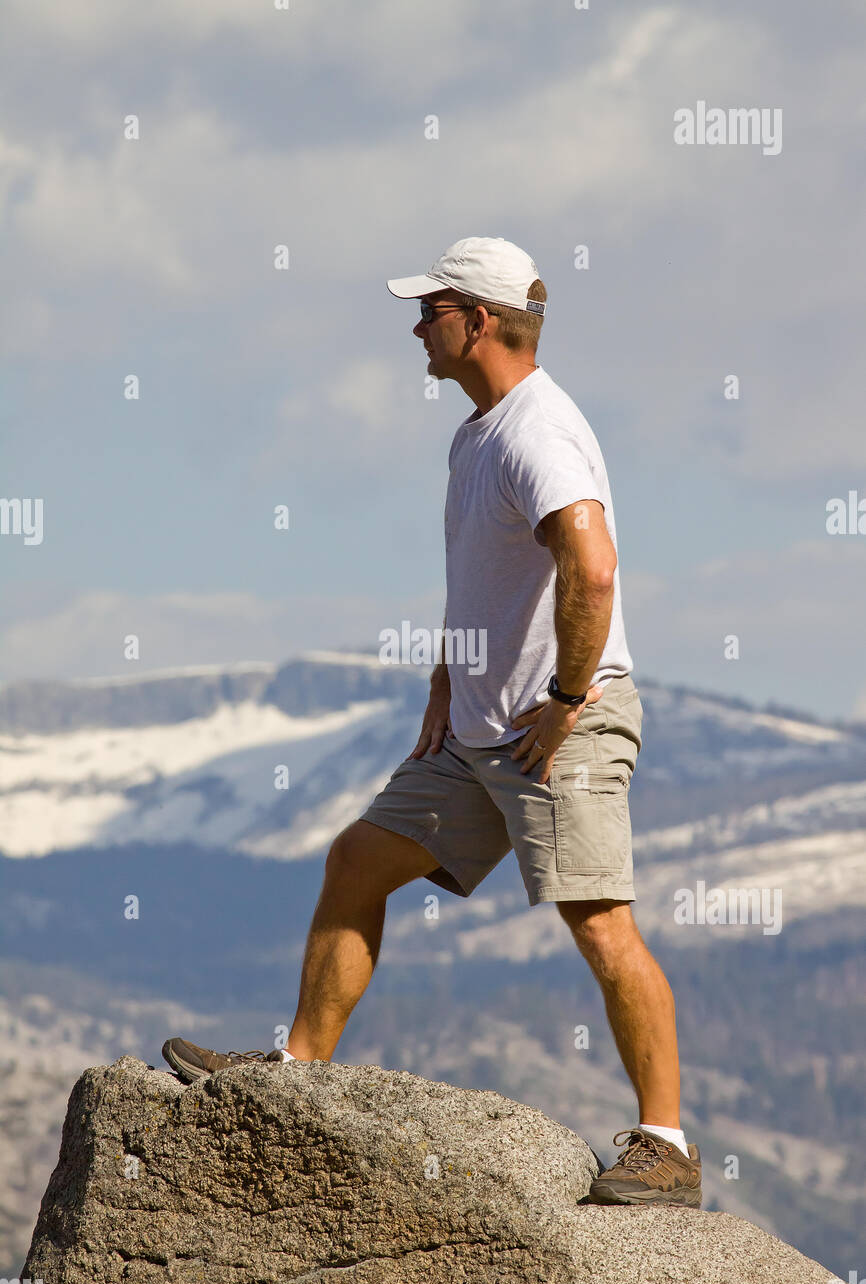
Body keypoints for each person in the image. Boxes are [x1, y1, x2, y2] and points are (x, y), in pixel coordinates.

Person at [164, 236, 701, 1207]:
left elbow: (590, 567)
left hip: (561, 726)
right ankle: (295, 1073)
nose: (416, 326)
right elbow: (489, 580)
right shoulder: (476, 433)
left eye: (430, 308)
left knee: (599, 922)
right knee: (357, 860)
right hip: (481, 730)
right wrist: (446, 680)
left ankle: (665, 1145)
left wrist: (569, 701)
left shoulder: (537, 431)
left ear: (479, 321)